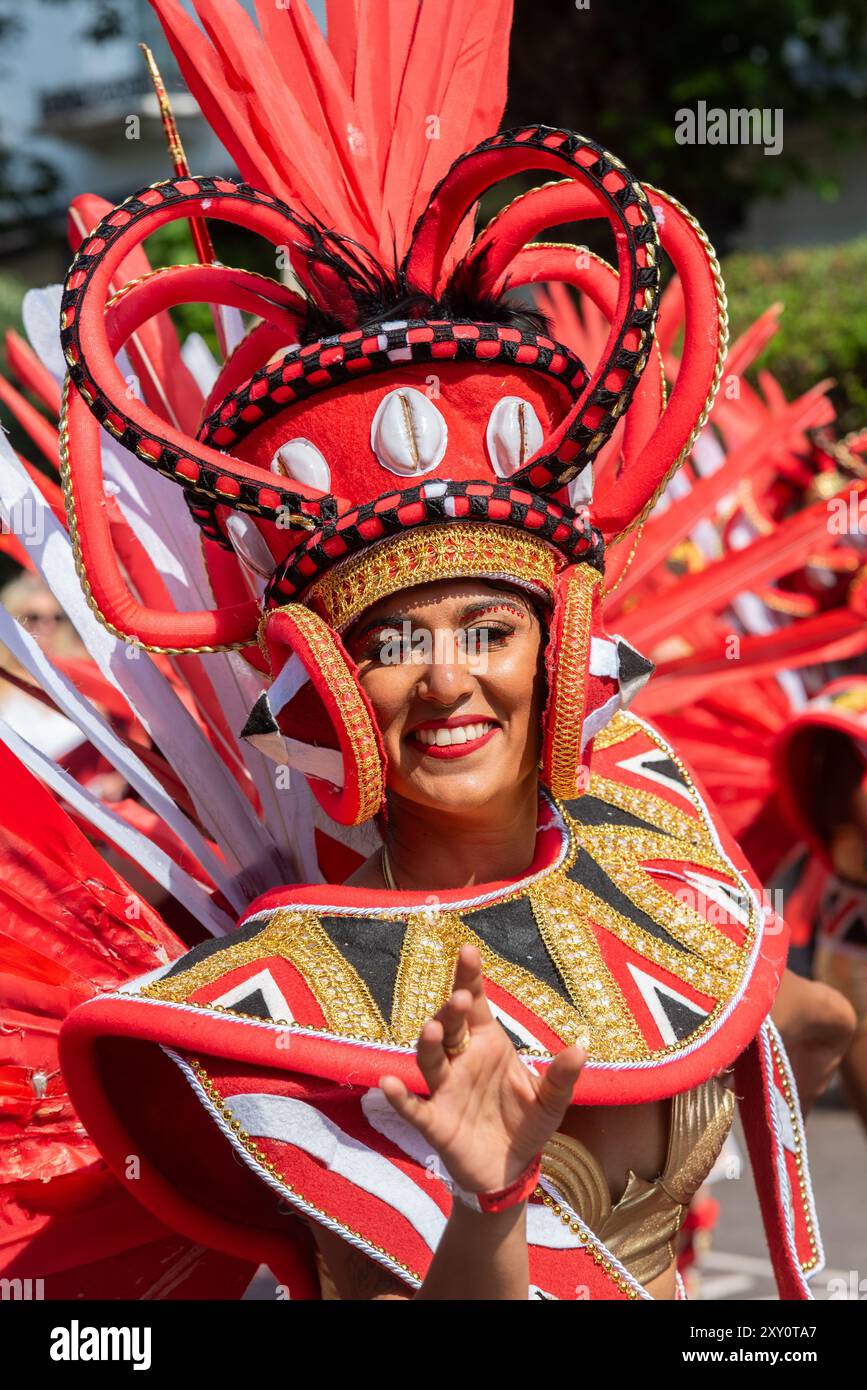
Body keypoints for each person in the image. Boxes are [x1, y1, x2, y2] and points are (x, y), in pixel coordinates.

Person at [0, 0, 848, 1302]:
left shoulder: (643, 812)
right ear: (330, 691)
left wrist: (824, 1003)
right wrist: (487, 1205)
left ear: (557, 645)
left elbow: (804, 1021)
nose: (450, 676)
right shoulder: (296, 1010)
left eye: (489, 627)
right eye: (395, 638)